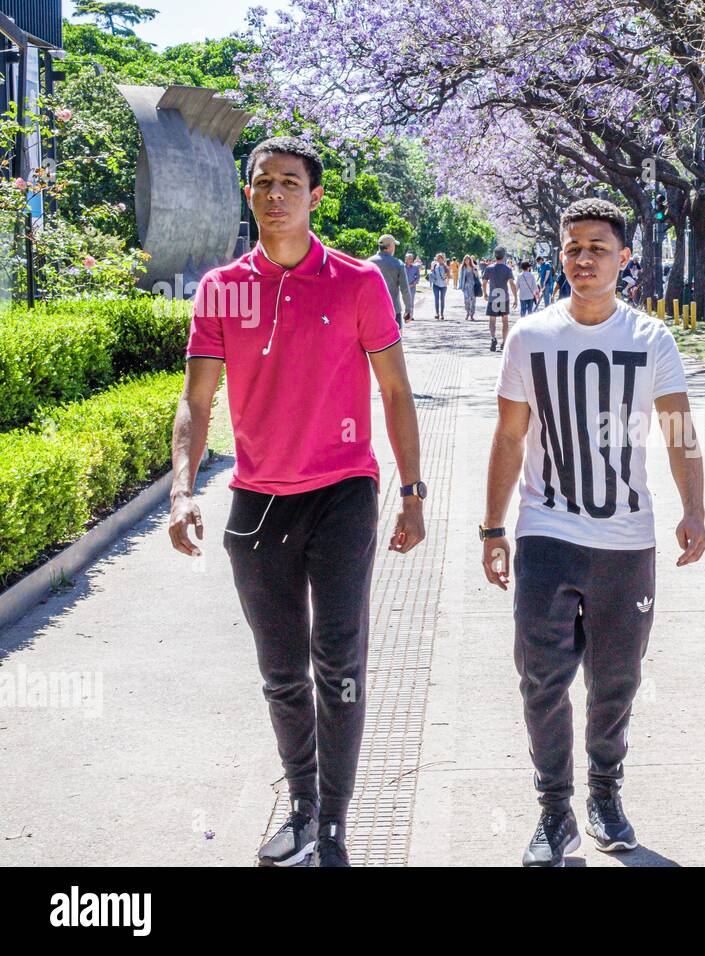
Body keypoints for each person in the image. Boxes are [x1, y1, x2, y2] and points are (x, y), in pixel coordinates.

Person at [168, 136, 428, 868]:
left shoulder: (357, 281)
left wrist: (411, 492)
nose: (275, 193)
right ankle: (304, 808)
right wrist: (184, 490)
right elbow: (196, 398)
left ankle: (336, 823)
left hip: (344, 492)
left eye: (290, 182)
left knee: (338, 662)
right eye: (263, 182)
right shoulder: (221, 288)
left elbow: (396, 391)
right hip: (257, 502)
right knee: (281, 671)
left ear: (315, 197)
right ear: (247, 194)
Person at [483, 197, 705, 866]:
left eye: (598, 248)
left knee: (616, 680)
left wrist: (694, 509)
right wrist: (492, 527)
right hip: (546, 534)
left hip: (627, 541)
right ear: (561, 256)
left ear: (623, 259)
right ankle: (554, 812)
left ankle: (605, 793)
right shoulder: (529, 337)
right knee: (542, 679)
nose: (584, 258)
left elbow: (679, 434)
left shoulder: (651, 340)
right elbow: (509, 435)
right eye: (573, 247)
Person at [368, 235, 413, 325]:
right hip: (393, 309)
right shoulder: (398, 264)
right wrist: (408, 309)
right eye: (394, 245)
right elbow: (405, 289)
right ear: (390, 247)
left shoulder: (368, 262)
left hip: (372, 311)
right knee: (395, 338)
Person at [481, 246, 518, 352]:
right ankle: (504, 342)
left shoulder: (489, 268)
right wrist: (515, 297)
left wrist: (485, 293)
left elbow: (484, 282)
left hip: (493, 297)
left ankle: (493, 338)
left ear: (494, 255)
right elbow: (511, 283)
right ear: (504, 255)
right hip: (503, 297)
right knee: (505, 321)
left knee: (492, 320)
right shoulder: (507, 269)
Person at [428, 253, 450, 320]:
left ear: (443, 259)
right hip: (436, 285)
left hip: (443, 285)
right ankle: (437, 313)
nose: (439, 260)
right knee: (436, 299)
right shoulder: (435, 266)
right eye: (438, 258)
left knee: (442, 299)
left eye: (440, 258)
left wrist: (447, 280)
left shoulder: (445, 266)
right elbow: (432, 273)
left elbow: (449, 275)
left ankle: (442, 314)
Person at [459, 254, 479, 319]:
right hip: (465, 287)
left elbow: (476, 276)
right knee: (466, 301)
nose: (467, 261)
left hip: (472, 286)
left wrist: (475, 270)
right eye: (465, 260)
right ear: (464, 261)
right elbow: (460, 278)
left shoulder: (473, 267)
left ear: (470, 260)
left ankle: (472, 314)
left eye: (468, 260)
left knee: (473, 301)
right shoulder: (462, 268)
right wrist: (461, 286)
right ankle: (467, 312)